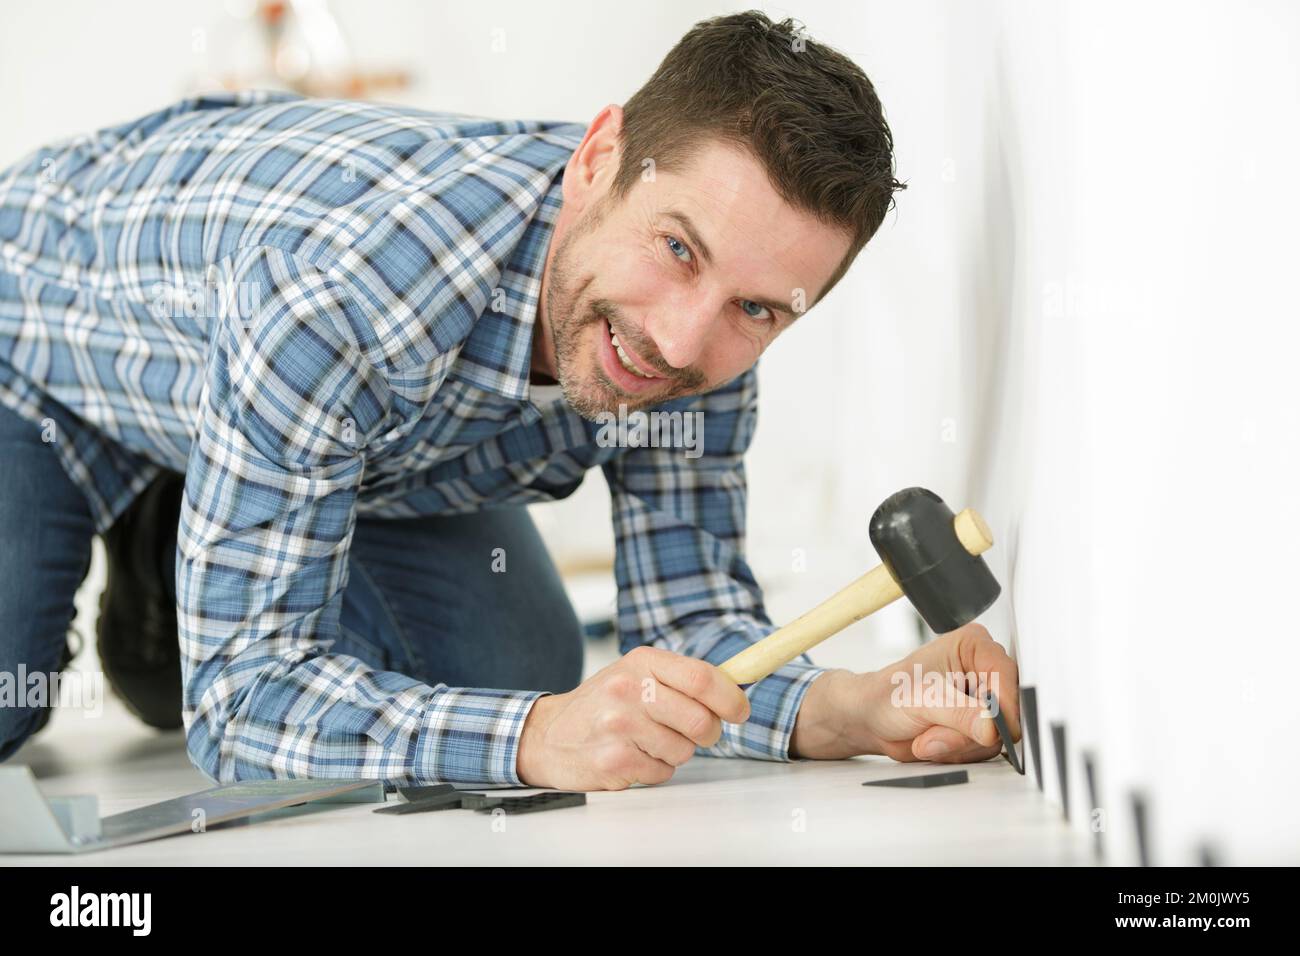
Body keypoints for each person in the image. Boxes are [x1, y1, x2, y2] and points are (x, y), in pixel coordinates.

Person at [0, 11, 1017, 791]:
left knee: (518, 665)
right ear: (597, 158)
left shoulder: (705, 341)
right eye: (675, 248)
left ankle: (194, 535)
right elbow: (238, 708)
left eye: (755, 307)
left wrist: (850, 706)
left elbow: (690, 629)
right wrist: (538, 738)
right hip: (38, 351)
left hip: (319, 419)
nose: (680, 340)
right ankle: (186, 514)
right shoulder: (347, 294)